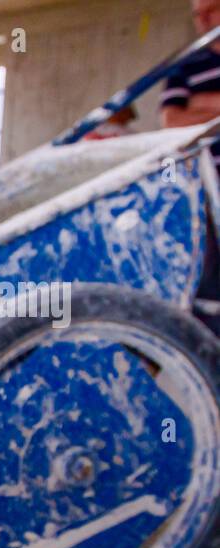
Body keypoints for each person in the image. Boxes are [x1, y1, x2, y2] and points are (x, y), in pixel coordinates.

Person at [162, 0, 220, 332]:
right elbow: (172, 122)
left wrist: (203, 104)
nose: (204, 20)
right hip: (204, 190)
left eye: (212, 10)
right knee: (205, 285)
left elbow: (188, 117)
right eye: (197, 15)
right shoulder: (185, 65)